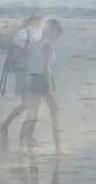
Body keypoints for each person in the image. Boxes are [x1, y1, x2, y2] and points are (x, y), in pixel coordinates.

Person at [19, 18, 64, 155]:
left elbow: (27, 63)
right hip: (42, 79)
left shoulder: (34, 43)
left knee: (31, 113)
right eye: (57, 33)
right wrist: (49, 85)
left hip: (33, 77)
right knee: (54, 112)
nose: (57, 37)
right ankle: (58, 148)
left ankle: (21, 146)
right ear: (52, 31)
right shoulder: (47, 45)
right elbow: (45, 67)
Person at [0, 14, 44, 144]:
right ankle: (6, 126)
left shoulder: (37, 32)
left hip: (34, 72)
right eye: (39, 18)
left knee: (34, 104)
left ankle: (28, 133)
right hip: (24, 72)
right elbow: (19, 49)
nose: (41, 21)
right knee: (27, 104)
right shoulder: (24, 33)